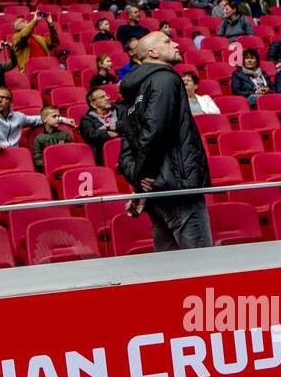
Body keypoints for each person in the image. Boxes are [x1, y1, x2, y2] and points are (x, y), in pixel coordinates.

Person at [118, 31, 213, 251]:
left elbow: (127, 149)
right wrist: (145, 178)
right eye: (168, 41)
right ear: (152, 52)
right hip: (176, 186)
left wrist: (141, 185)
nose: (177, 43)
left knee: (169, 269)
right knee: (202, 266)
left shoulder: (130, 95)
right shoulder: (166, 78)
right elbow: (156, 131)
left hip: (155, 192)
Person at [0, 87, 39, 170]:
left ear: (11, 103)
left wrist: (59, 119)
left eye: (3, 98)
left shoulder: (18, 117)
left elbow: (37, 120)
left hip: (13, 161)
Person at [79, 87, 121, 166]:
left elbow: (128, 125)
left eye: (107, 95)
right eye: (102, 97)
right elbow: (92, 136)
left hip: (126, 152)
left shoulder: (118, 110)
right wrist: (109, 134)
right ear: (93, 104)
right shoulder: (87, 119)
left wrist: (107, 127)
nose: (107, 98)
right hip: (103, 157)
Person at [31, 105, 74, 171]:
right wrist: (51, 164)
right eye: (54, 116)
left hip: (66, 167)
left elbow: (72, 153)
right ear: (44, 119)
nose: (58, 119)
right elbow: (38, 160)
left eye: (58, 116)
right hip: (49, 170)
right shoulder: (38, 139)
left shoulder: (65, 135)